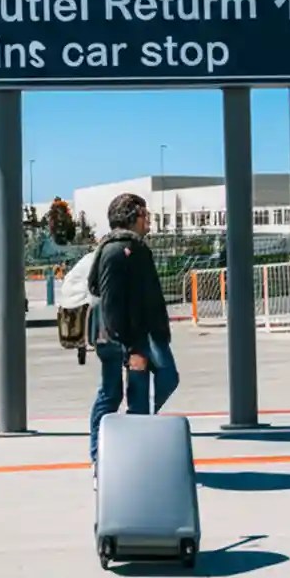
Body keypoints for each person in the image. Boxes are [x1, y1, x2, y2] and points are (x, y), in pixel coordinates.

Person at [86, 192, 180, 476]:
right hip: (124, 338)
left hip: (132, 334)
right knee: (114, 393)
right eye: (145, 214)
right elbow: (111, 300)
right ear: (132, 215)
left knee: (134, 393)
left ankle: (130, 453)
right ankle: (101, 458)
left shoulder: (130, 247)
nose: (149, 219)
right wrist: (132, 349)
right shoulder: (120, 249)